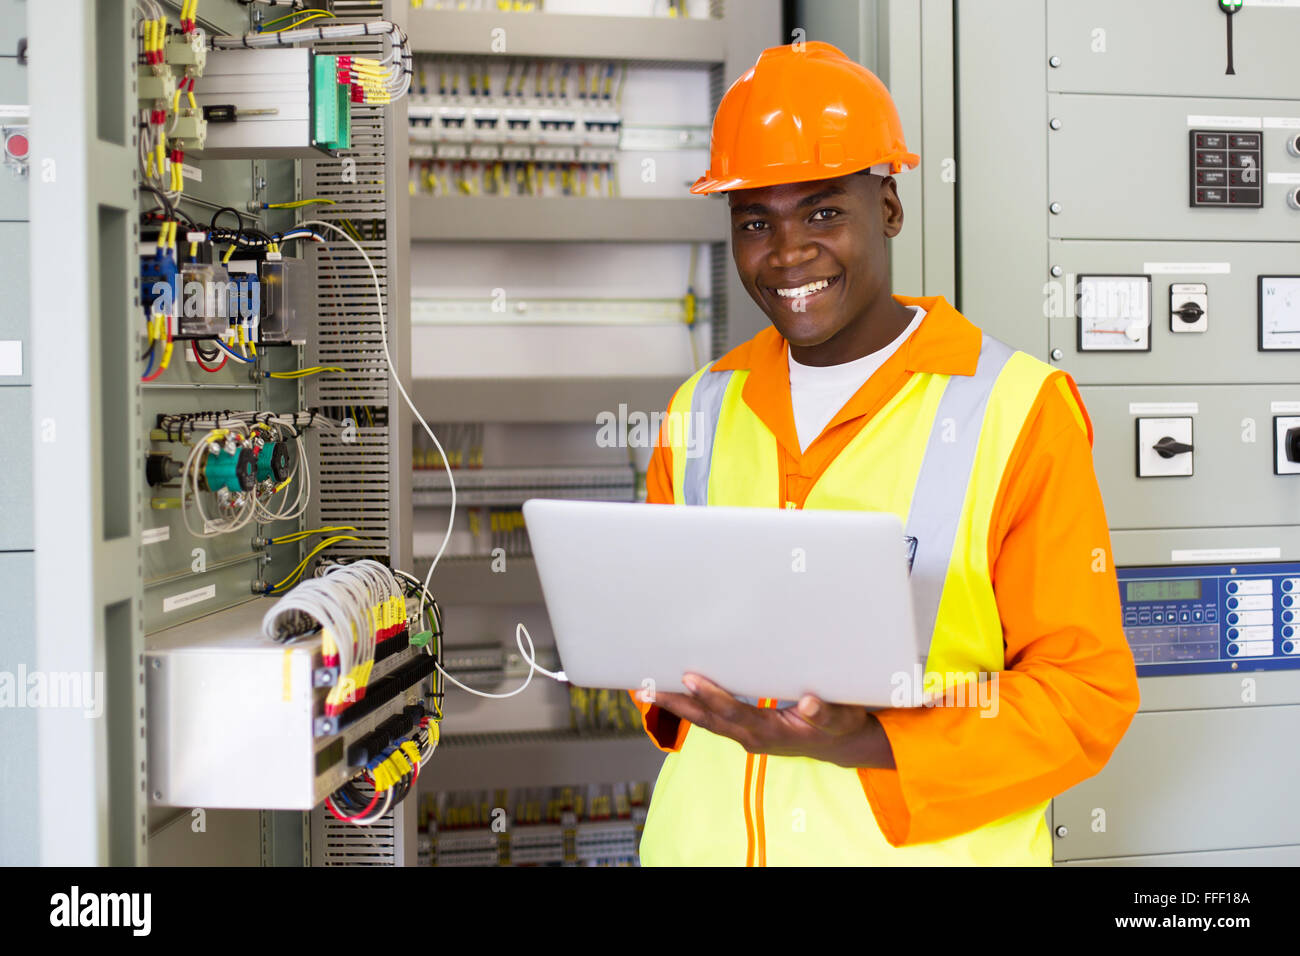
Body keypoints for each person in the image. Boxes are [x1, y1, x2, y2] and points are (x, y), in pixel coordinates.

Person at [628, 41, 1140, 866]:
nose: (787, 253)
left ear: (890, 209)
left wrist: (869, 739)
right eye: (755, 220)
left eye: (824, 212)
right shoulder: (704, 405)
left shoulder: (1014, 409)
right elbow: (653, 645)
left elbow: (1086, 698)